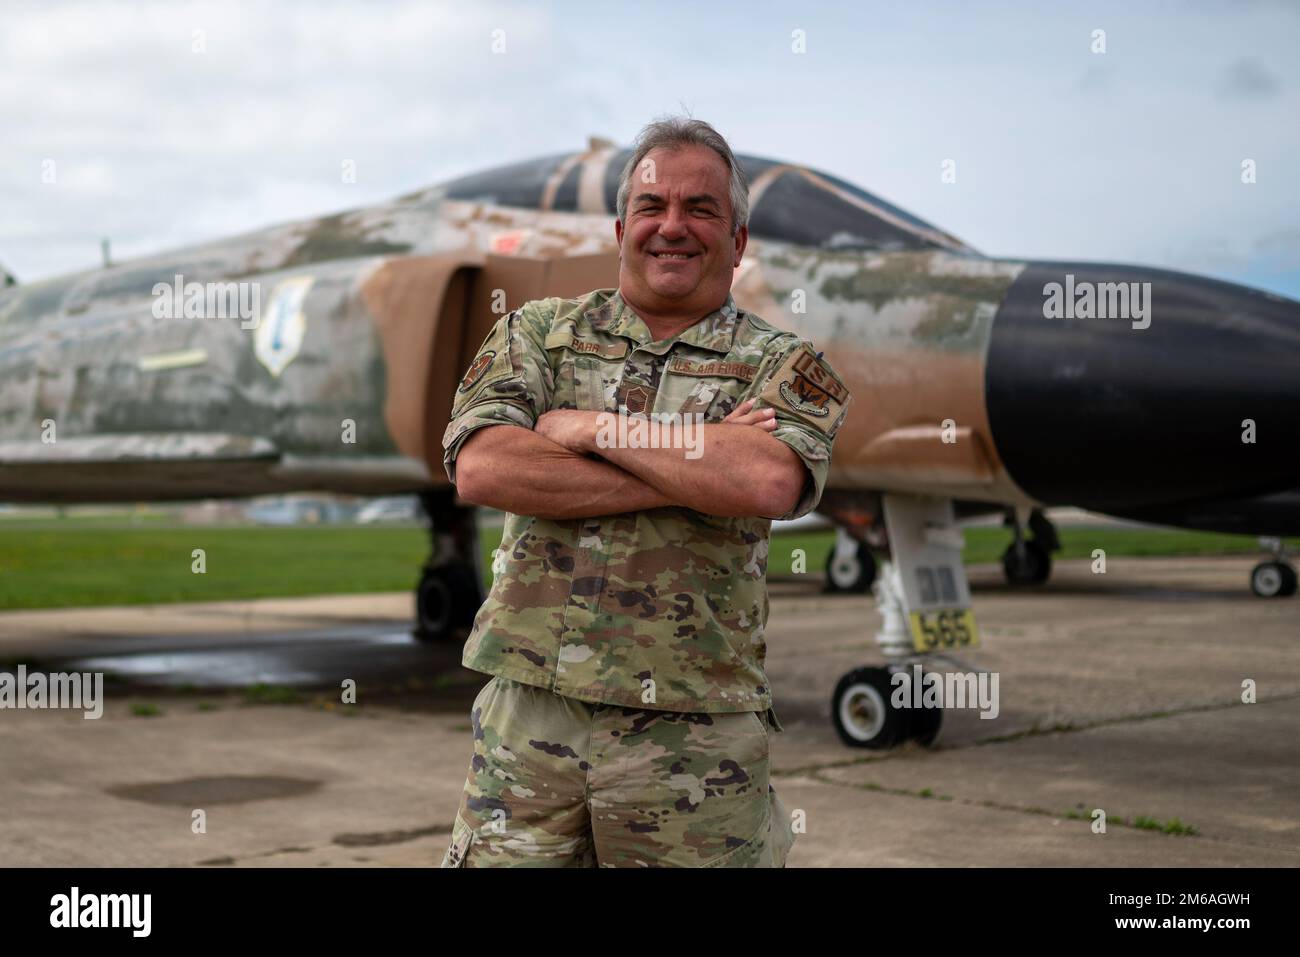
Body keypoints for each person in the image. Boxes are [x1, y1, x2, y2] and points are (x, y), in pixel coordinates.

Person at [438, 116, 851, 867]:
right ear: (623, 226)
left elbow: (764, 477)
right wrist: (694, 467)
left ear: (738, 240)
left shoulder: (783, 362)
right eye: (655, 207)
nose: (674, 226)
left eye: (702, 209)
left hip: (696, 739)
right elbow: (485, 467)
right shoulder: (539, 332)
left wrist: (587, 427)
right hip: (530, 724)